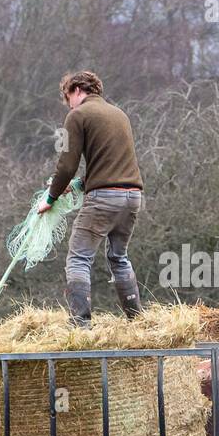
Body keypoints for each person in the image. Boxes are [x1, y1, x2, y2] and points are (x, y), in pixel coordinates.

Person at [39, 70, 144, 326]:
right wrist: (75, 185)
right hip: (132, 197)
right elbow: (109, 164)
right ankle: (138, 321)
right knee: (119, 257)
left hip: (104, 199)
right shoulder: (120, 115)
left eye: (67, 98)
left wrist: (51, 198)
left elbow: (65, 164)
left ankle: (81, 325)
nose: (68, 104)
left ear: (75, 90)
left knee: (78, 258)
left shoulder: (77, 115)